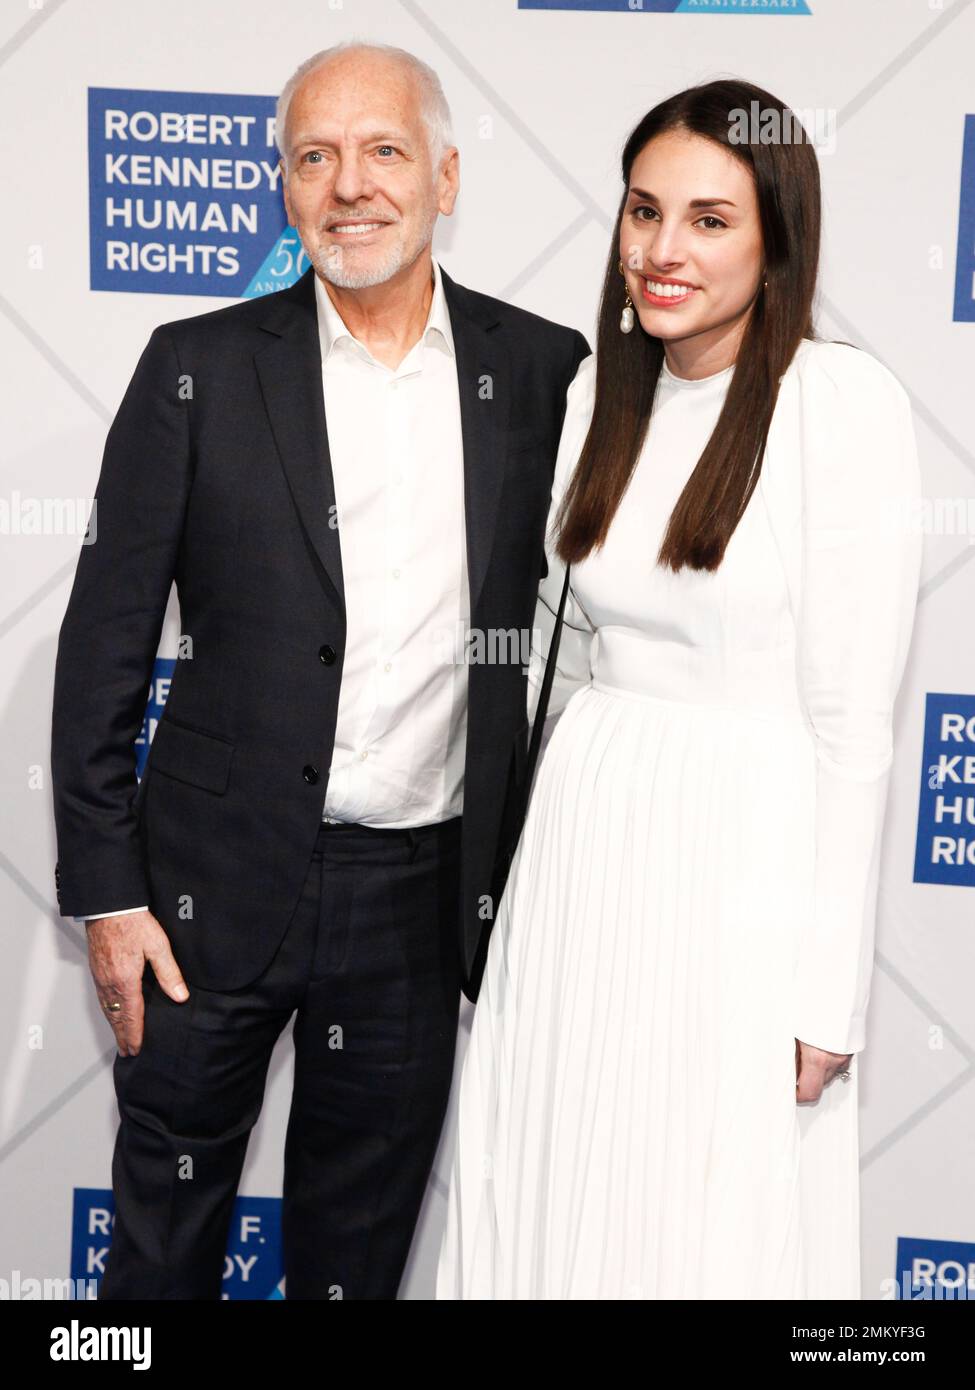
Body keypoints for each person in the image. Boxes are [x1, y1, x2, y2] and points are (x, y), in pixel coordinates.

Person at [50, 40, 588, 1299]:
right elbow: (103, 645)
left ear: (446, 175)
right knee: (157, 1255)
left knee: (355, 1260)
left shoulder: (547, 373)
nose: (352, 184)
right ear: (283, 189)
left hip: (415, 900)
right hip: (203, 896)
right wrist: (107, 890)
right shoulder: (196, 367)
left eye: (385, 150)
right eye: (315, 156)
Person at [436, 78, 924, 1300]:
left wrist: (828, 992)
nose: (661, 250)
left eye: (710, 219)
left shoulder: (839, 404)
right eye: (644, 211)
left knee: (704, 1210)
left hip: (738, 869)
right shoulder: (603, 391)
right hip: (584, 845)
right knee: (557, 1168)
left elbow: (856, 727)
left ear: (777, 238)